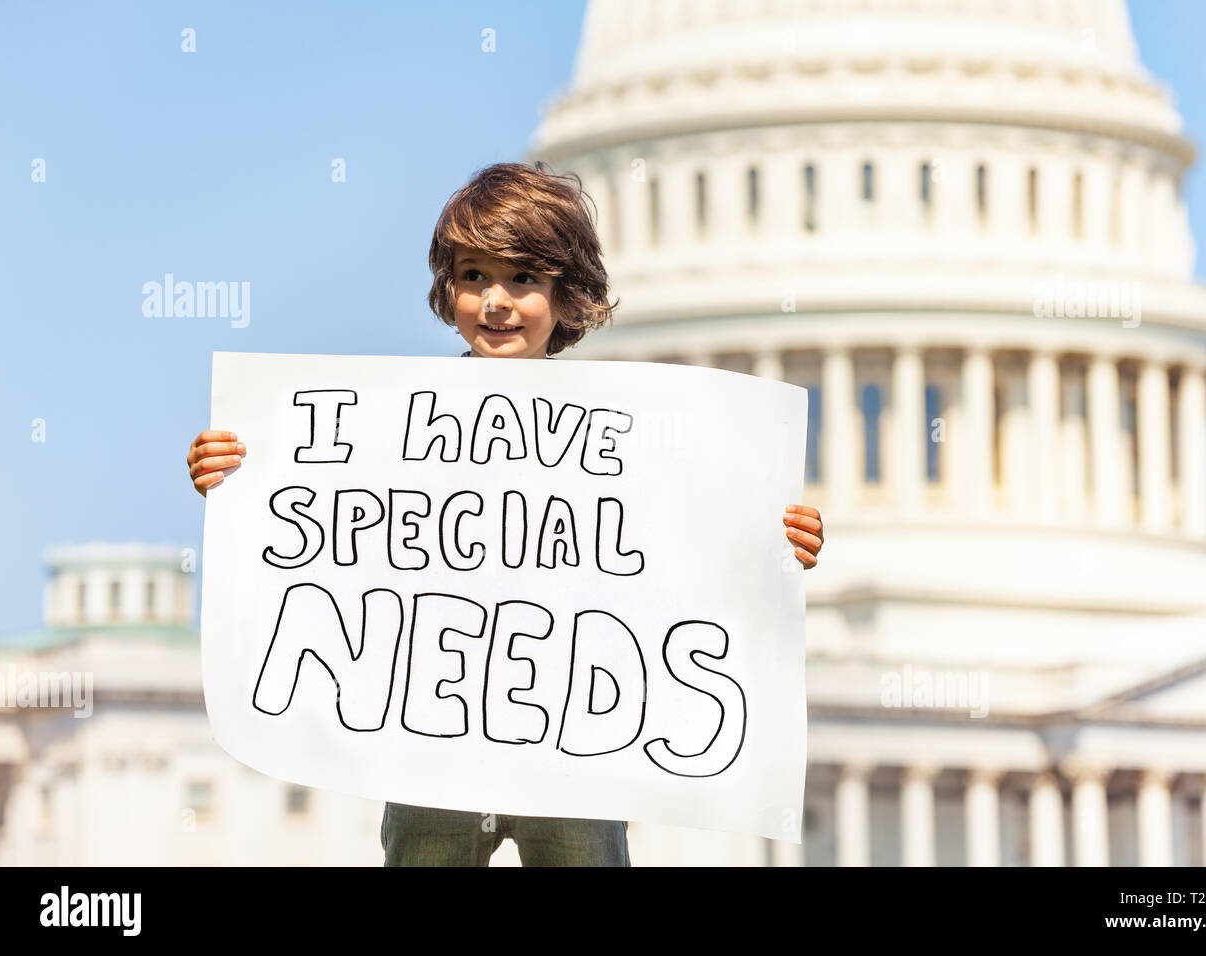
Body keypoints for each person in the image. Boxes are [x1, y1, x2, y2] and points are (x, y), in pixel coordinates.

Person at [185, 161, 825, 866]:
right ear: (447, 289)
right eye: (474, 277)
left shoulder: (627, 435)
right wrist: (237, 475)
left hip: (575, 739)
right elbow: (321, 516)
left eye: (523, 280)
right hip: (433, 732)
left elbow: (690, 549)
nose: (497, 301)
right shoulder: (389, 424)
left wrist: (776, 541)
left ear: (567, 295)